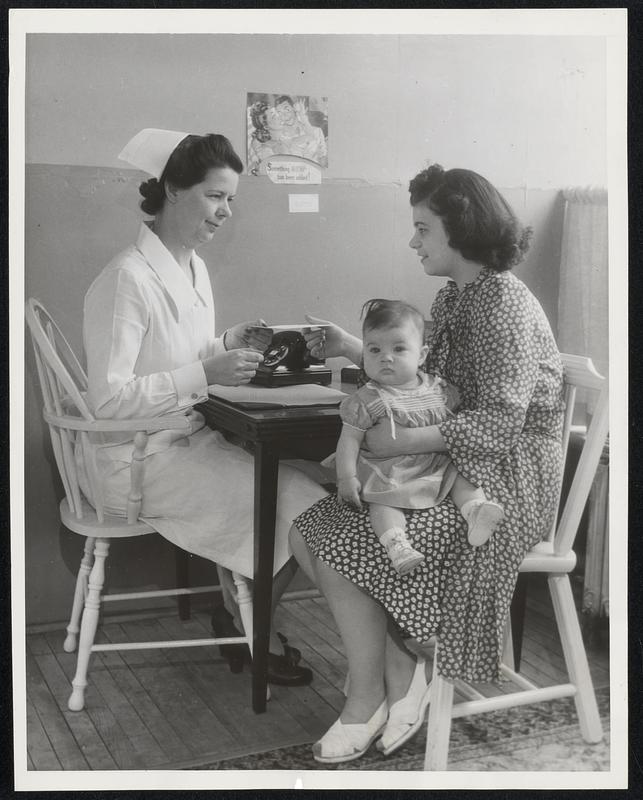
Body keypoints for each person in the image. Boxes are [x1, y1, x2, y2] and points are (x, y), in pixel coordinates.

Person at [289, 163, 565, 763]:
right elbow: (424, 379)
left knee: (347, 539)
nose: (413, 242)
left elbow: (501, 422)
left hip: (505, 481)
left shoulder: (506, 306)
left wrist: (400, 444)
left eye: (422, 229)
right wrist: (352, 347)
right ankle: (399, 670)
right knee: (309, 529)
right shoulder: (458, 295)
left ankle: (369, 694)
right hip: (452, 463)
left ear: (460, 229)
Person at [78, 127, 328, 686]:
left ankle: (243, 618)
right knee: (302, 503)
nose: (225, 212)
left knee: (305, 491)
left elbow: (178, 355)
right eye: (215, 196)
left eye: (229, 199)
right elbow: (109, 401)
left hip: (182, 442)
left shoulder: (191, 265)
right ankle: (249, 625)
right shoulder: (125, 280)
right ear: (172, 189)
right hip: (133, 461)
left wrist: (225, 343)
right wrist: (205, 372)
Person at [325, 298, 504, 576]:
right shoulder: (368, 399)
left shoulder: (439, 389)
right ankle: (396, 543)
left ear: (421, 355)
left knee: (464, 473)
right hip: (392, 472)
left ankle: (475, 511)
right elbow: (349, 440)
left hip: (435, 466)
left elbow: (463, 425)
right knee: (382, 500)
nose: (386, 357)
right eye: (374, 349)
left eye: (398, 349)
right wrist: (346, 478)